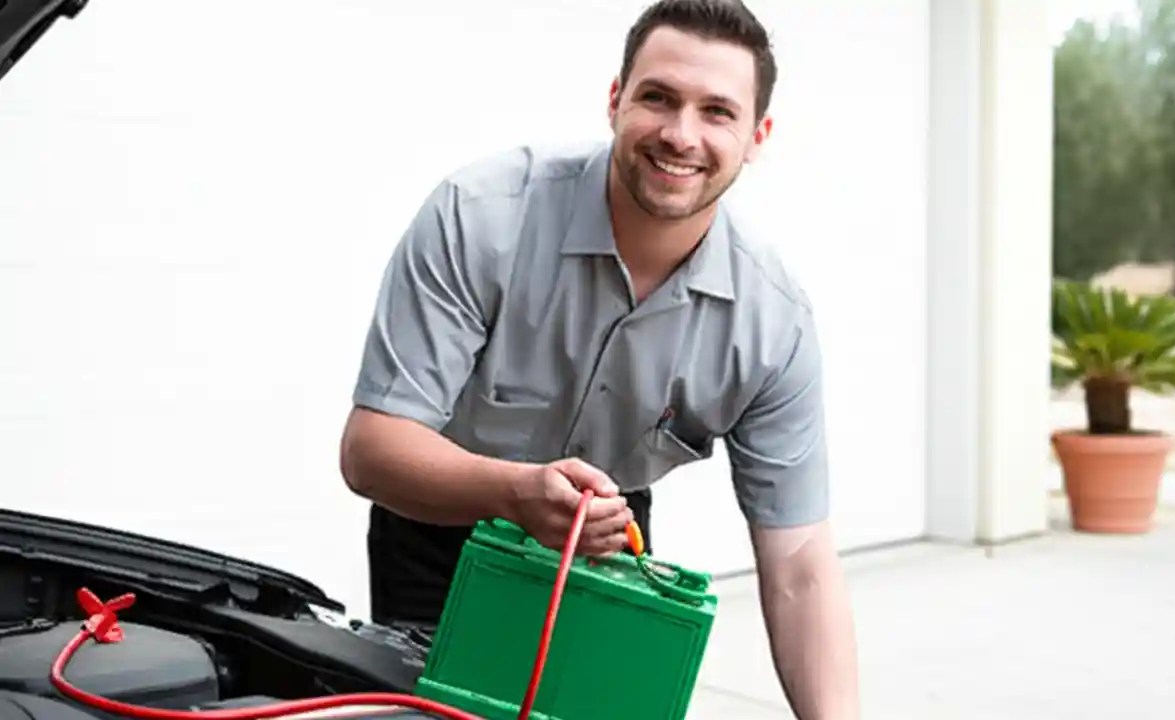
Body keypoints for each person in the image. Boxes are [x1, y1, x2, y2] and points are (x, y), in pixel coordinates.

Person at [338, 0, 860, 716]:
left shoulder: (773, 324)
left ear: (756, 137)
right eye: (658, 97)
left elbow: (799, 563)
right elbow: (372, 452)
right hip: (442, 523)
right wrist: (516, 494)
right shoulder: (480, 214)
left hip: (609, 539)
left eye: (717, 112)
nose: (681, 134)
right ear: (616, 99)